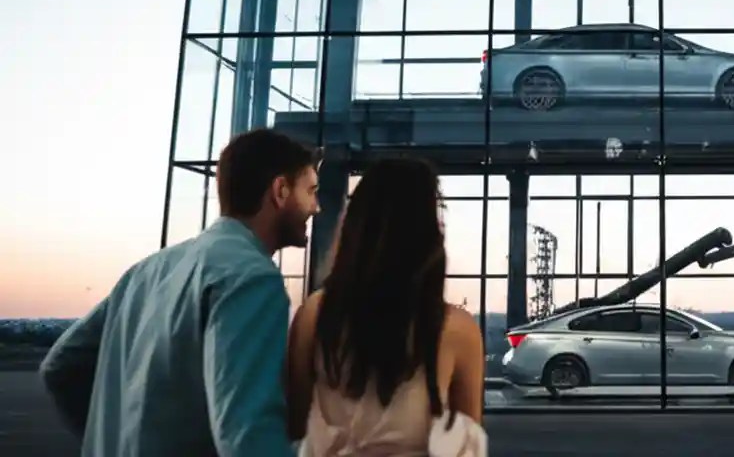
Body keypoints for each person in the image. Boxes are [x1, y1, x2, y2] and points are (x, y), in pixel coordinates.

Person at [39, 128, 320, 456]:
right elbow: (248, 440)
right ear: (280, 191)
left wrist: (112, 440)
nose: (316, 207)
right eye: (311, 191)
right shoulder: (252, 278)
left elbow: (61, 367)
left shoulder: (146, 272)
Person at [285, 158, 486, 456]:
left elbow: (296, 426)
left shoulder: (315, 314)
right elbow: (467, 447)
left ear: (355, 225)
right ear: (428, 234)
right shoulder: (455, 329)